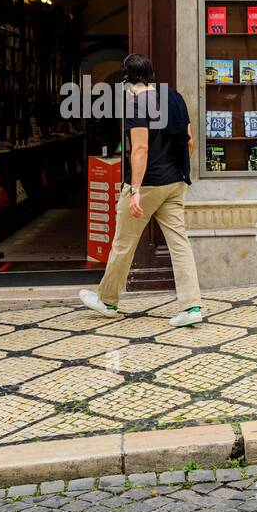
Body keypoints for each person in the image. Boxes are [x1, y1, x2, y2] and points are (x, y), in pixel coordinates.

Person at [79, 54, 205, 327]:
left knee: (123, 243)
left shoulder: (136, 106)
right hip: (175, 182)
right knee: (179, 243)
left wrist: (135, 190)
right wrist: (177, 170)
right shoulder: (174, 97)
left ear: (126, 79)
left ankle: (108, 301)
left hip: (147, 185)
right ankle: (192, 306)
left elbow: (140, 149)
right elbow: (190, 141)